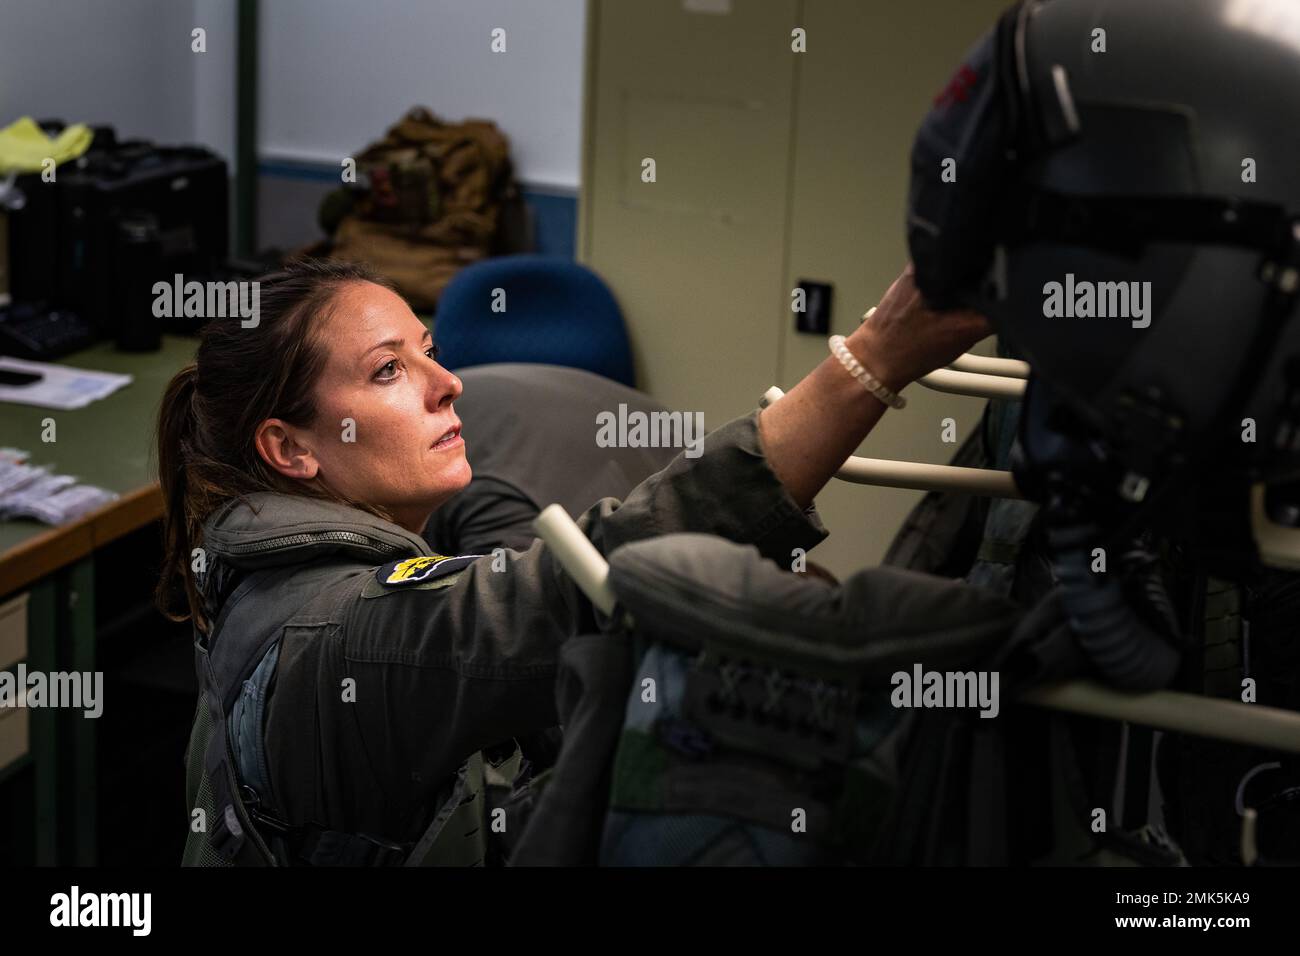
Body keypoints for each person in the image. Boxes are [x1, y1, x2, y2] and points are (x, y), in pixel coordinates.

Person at [158, 256, 987, 865]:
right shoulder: (344, 639)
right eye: (387, 371)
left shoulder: (272, 573)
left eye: (429, 350)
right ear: (291, 449)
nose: (447, 382)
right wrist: (871, 363)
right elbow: (563, 593)